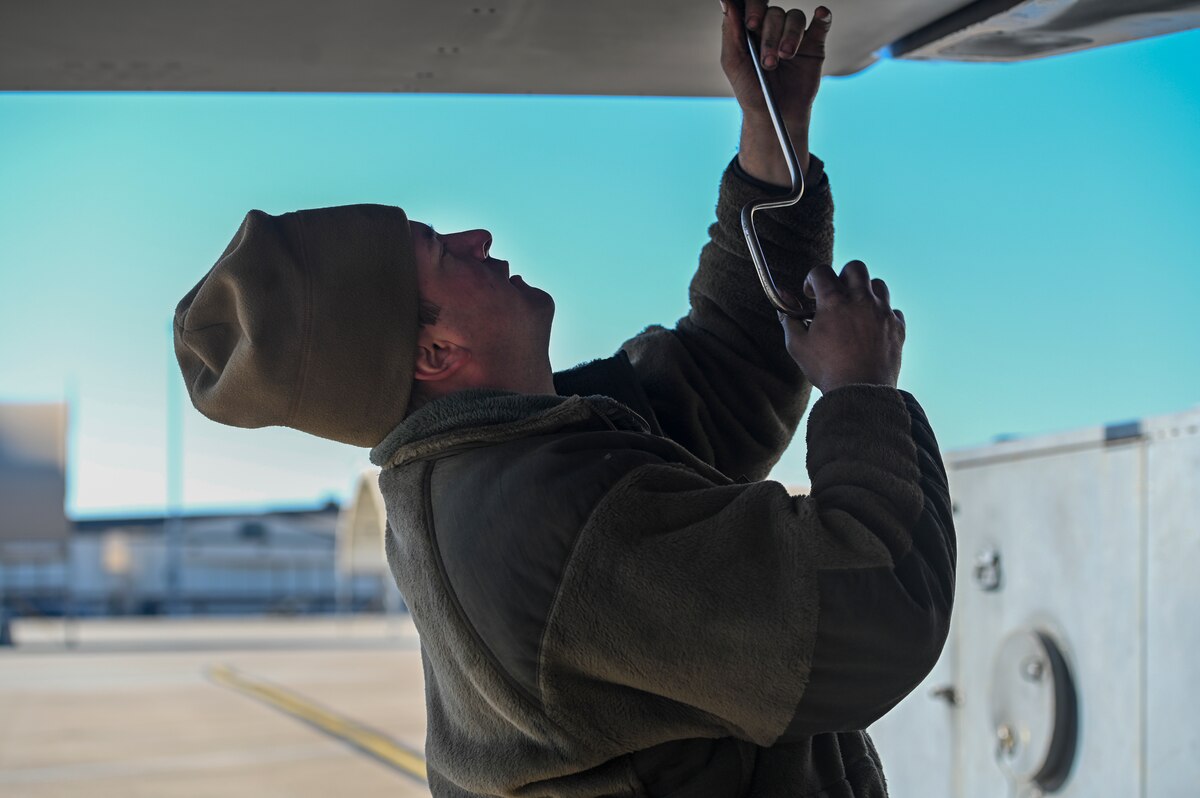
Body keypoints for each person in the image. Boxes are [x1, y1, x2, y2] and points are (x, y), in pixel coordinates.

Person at [173, 3, 955, 795]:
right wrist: (860, 392)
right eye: (442, 252)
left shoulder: (501, 465)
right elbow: (874, 608)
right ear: (436, 350)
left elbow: (727, 369)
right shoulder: (553, 518)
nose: (477, 239)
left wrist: (772, 136)